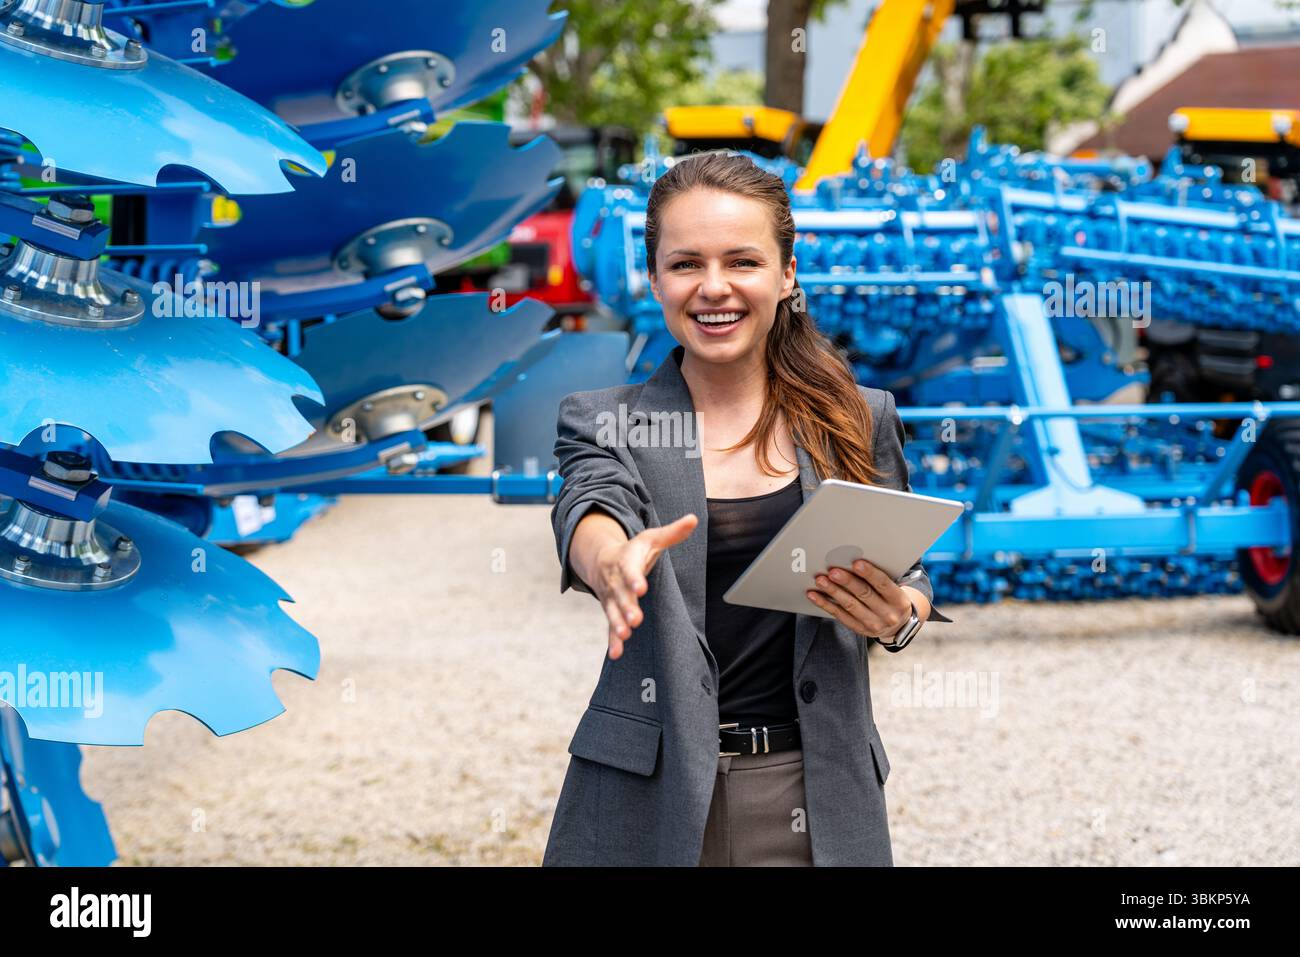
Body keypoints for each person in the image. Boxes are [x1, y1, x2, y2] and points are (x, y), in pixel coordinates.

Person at [542, 151, 948, 867]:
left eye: (742, 261)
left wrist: (902, 614)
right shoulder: (603, 420)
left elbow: (908, 571)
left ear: (787, 273)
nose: (714, 287)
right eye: (686, 263)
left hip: (812, 790)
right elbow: (589, 504)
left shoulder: (859, 418)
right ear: (654, 277)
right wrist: (611, 562)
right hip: (649, 791)